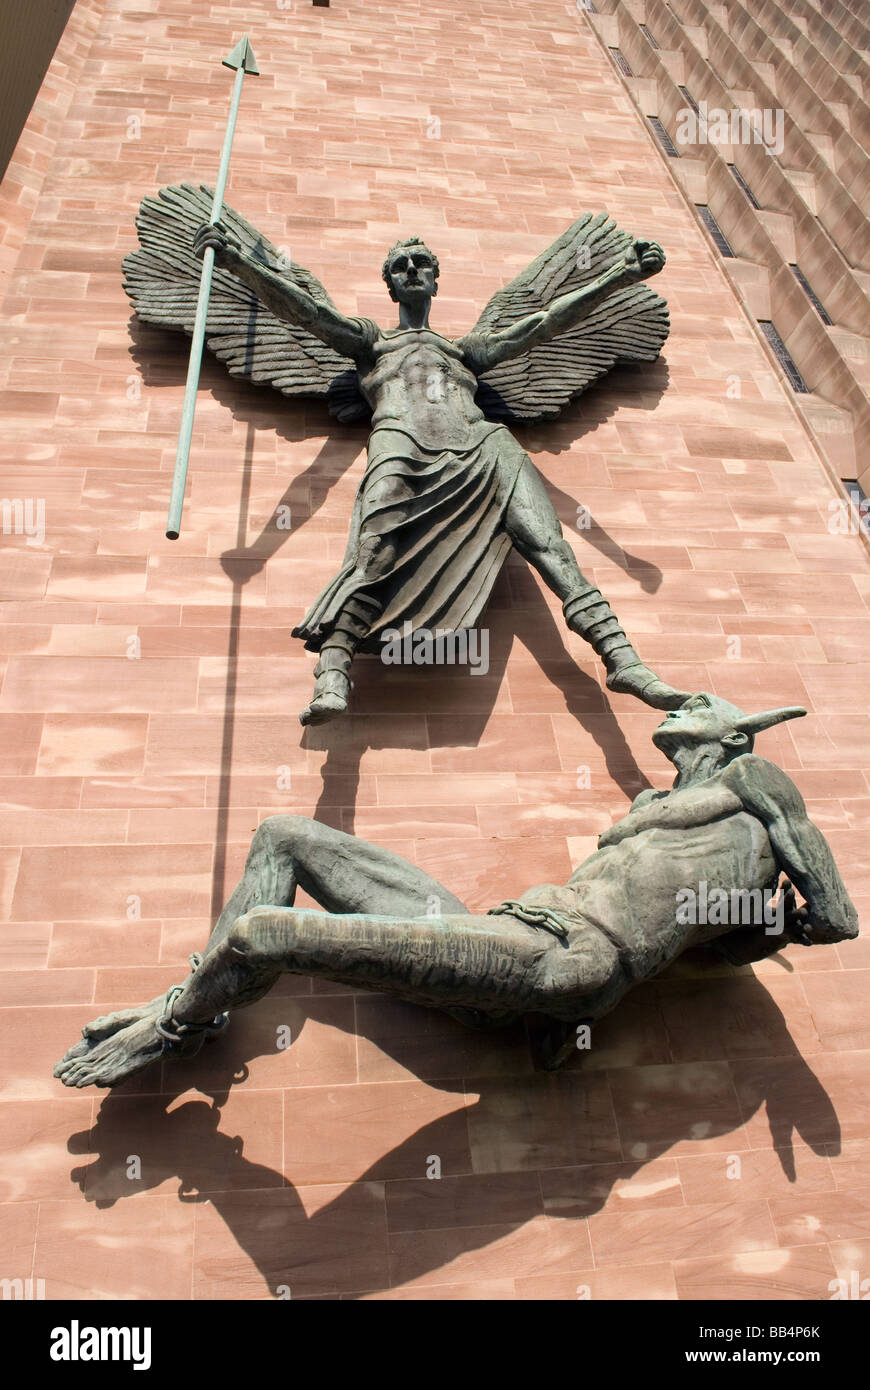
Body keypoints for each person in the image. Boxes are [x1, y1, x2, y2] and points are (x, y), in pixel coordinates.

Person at [54, 694, 857, 1089]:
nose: (686, 704)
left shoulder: (757, 780)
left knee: (267, 934)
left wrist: (804, 920)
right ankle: (206, 995)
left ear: (735, 736)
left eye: (703, 705)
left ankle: (172, 1024)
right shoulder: (657, 810)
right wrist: (767, 927)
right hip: (509, 938)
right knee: (284, 835)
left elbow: (834, 913)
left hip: (568, 958)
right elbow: (719, 939)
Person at [192, 222, 688, 724]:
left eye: (421, 264)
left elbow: (541, 324)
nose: (411, 271)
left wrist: (619, 277)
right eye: (400, 267)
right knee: (373, 555)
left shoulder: (464, 350)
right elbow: (310, 313)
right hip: (401, 446)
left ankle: (622, 659)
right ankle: (333, 671)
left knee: (551, 545)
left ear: (434, 280)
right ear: (389, 285)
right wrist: (240, 264)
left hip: (485, 446)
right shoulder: (372, 342)